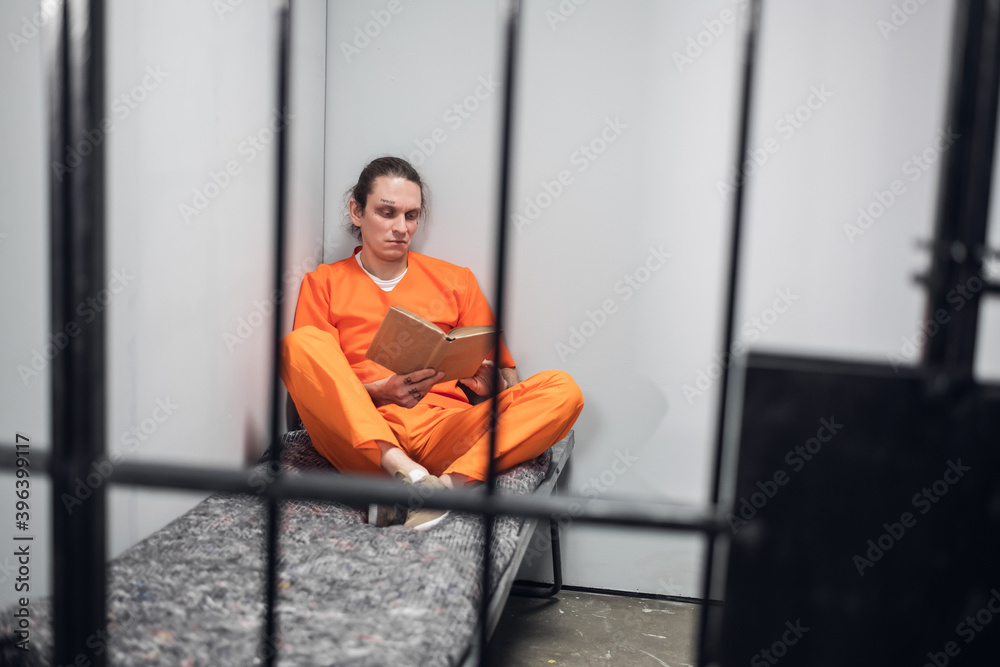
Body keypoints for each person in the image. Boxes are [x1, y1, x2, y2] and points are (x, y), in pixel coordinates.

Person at [280, 156, 583, 530]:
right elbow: (312, 383)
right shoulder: (323, 283)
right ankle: (402, 473)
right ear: (356, 212)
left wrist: (485, 382)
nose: (400, 228)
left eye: (411, 215)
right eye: (387, 212)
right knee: (300, 342)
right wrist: (378, 391)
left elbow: (507, 378)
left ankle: (443, 488)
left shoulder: (455, 280)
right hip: (363, 438)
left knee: (563, 389)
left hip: (445, 431)